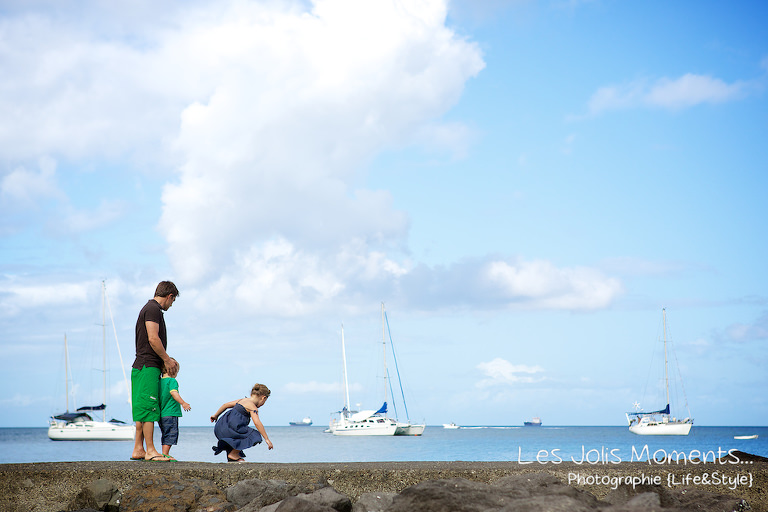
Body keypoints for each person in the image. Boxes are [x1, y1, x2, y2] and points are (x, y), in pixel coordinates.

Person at [130, 281, 180, 462]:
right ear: (170, 296)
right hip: (147, 365)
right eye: (172, 301)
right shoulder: (153, 309)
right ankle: (151, 451)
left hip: (142, 366)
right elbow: (153, 338)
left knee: (142, 409)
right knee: (150, 409)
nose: (171, 305)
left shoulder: (149, 308)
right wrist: (166, 359)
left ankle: (138, 449)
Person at [210, 383, 274, 462]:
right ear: (263, 398)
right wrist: (267, 439)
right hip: (231, 430)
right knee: (254, 435)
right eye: (264, 402)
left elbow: (225, 405)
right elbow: (257, 423)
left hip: (220, 427)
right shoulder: (252, 407)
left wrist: (215, 415)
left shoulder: (242, 400)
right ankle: (233, 454)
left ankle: (233, 458)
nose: (262, 405)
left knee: (234, 441)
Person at [158, 362, 191, 461]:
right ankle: (165, 454)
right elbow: (174, 393)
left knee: (165, 433)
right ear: (172, 370)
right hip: (170, 412)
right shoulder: (172, 381)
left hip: (161, 413)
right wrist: (183, 403)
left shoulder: (159, 382)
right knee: (171, 433)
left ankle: (164, 453)